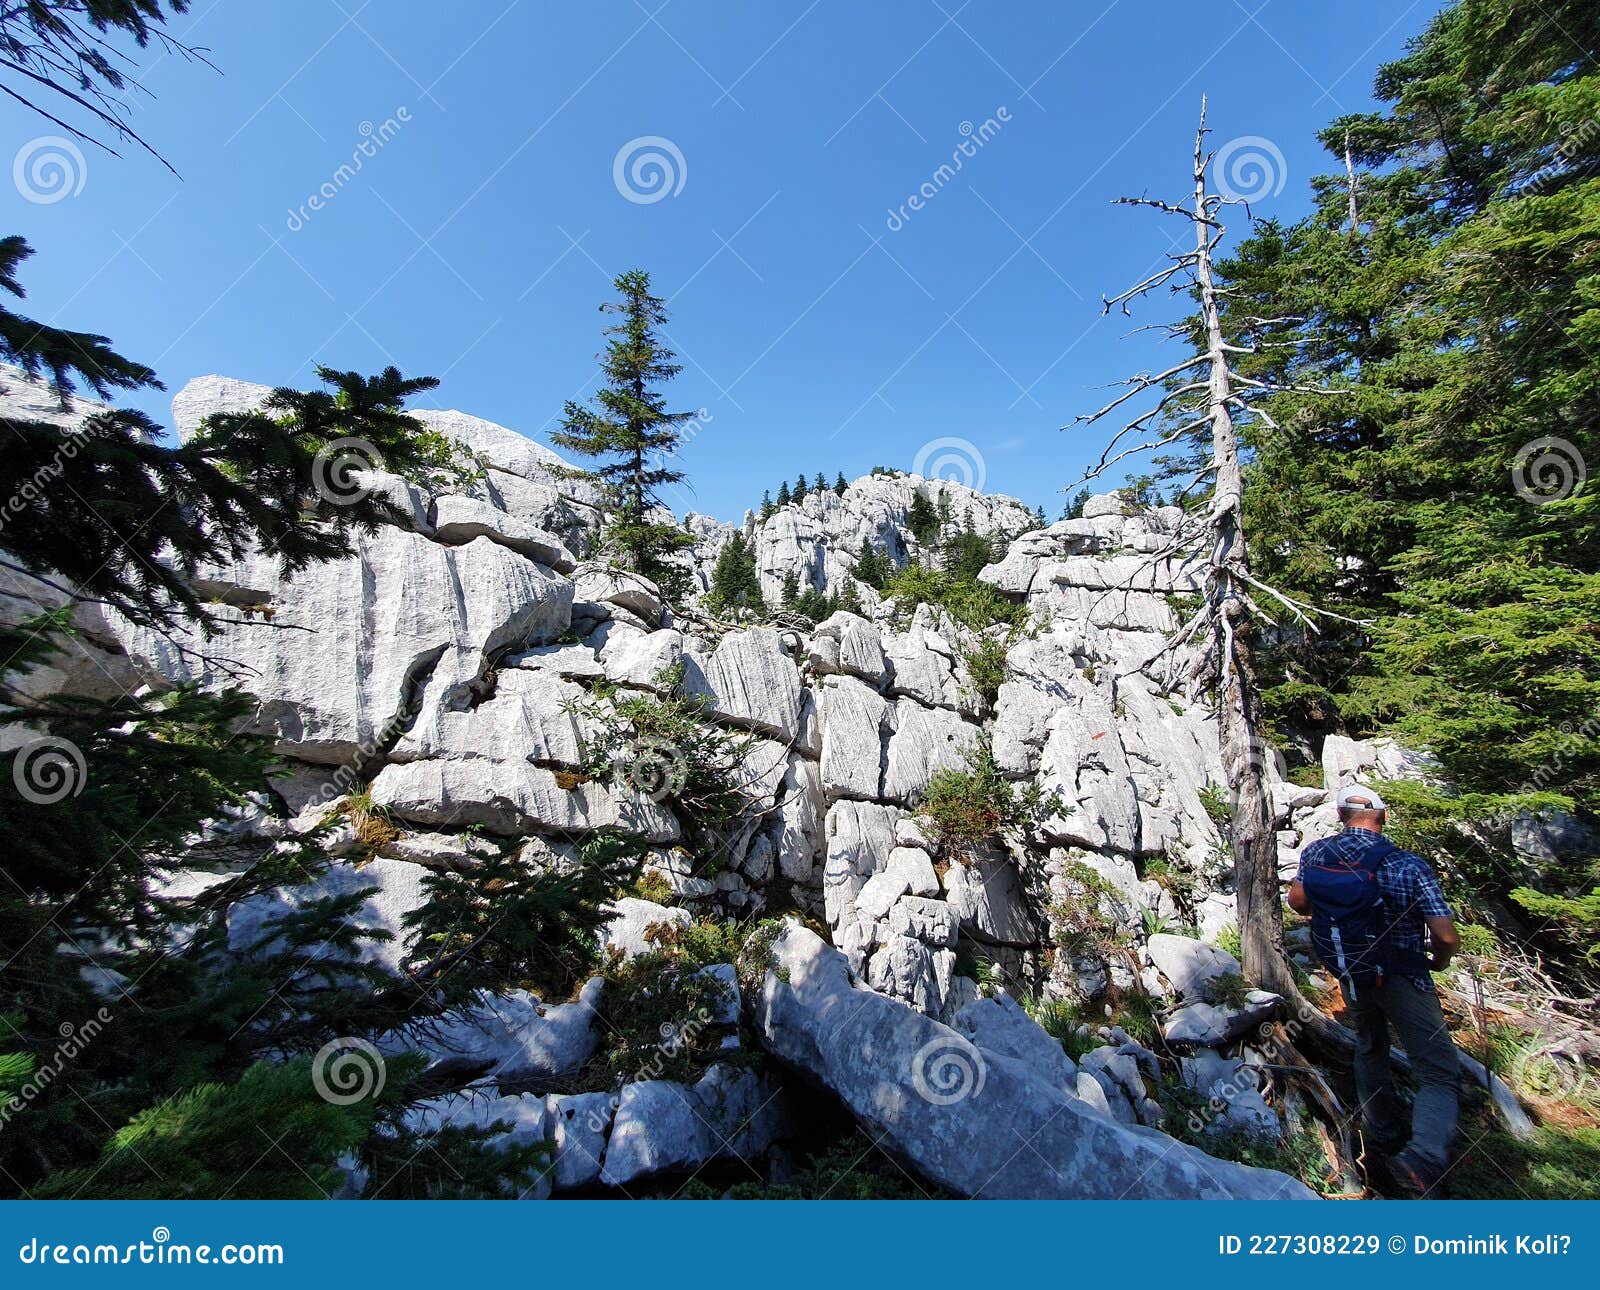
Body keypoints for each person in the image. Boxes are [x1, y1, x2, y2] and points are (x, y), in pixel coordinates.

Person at [1287, 785, 1462, 1196]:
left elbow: (1297, 902)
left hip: (1351, 970)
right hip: (1403, 975)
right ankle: (1422, 1159)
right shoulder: (1408, 864)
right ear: (1381, 817)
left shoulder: (1316, 853)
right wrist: (1441, 959)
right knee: (1437, 1071)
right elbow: (1446, 935)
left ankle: (1380, 1133)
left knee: (1370, 1043)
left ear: (1340, 814)